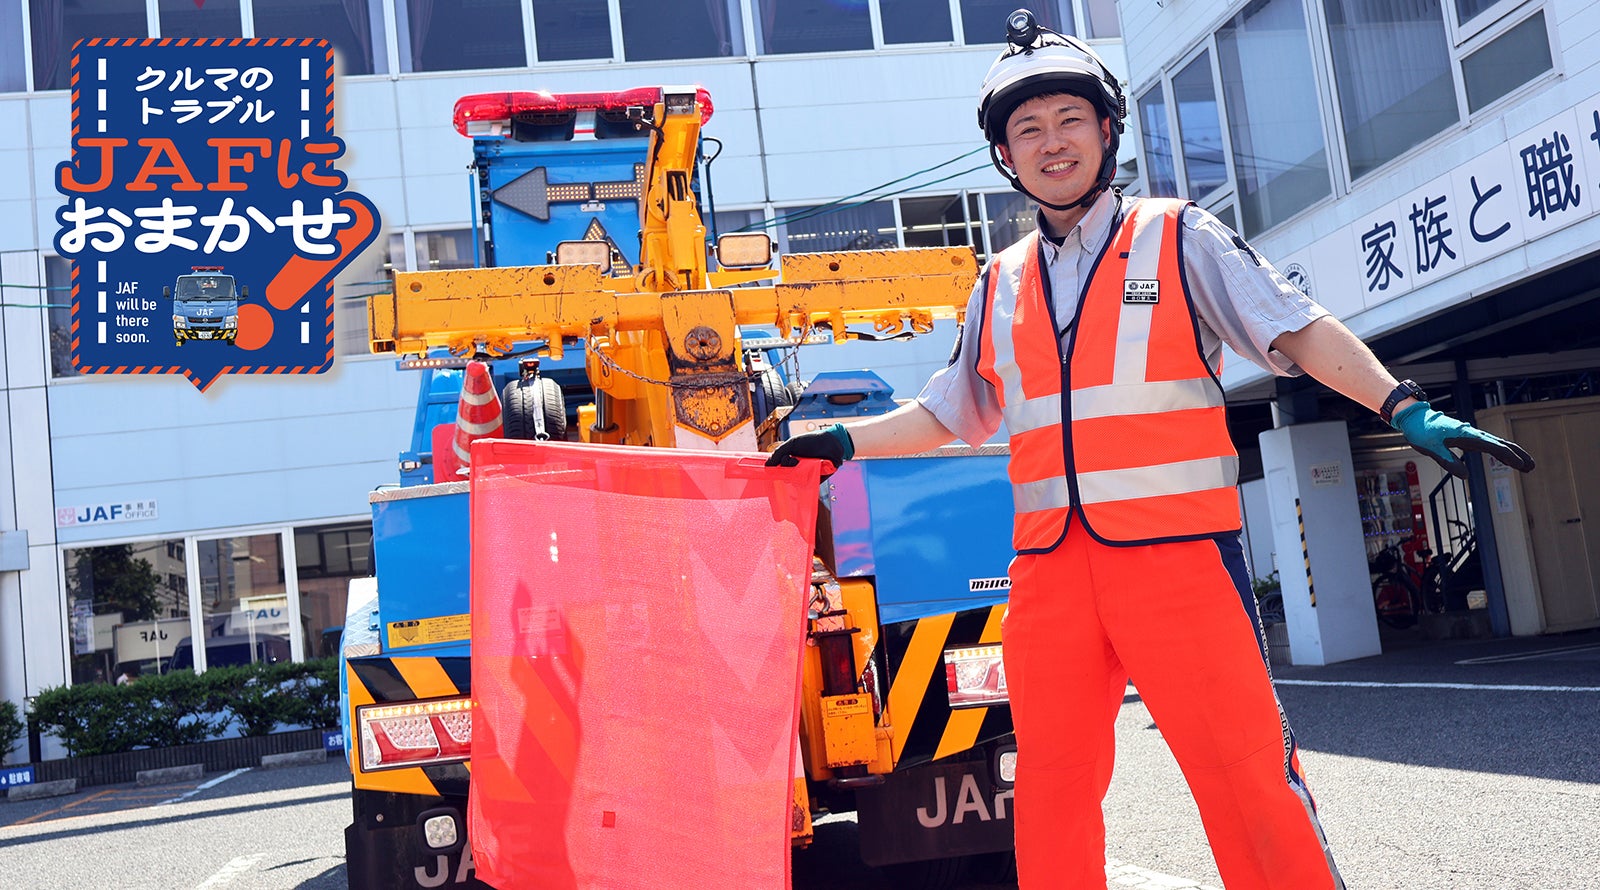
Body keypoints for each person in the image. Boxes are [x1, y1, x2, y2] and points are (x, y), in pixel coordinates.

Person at [768, 9, 1535, 889]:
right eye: (1029, 129)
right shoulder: (999, 279)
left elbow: (1295, 327)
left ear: (1106, 131)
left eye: (1069, 120)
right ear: (1006, 156)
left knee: (1246, 775)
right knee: (1049, 793)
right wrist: (840, 441)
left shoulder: (1178, 236)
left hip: (1180, 561)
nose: (1052, 142)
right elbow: (952, 414)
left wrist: (1401, 405)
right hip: (1049, 576)